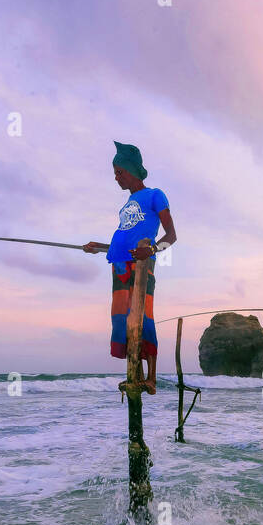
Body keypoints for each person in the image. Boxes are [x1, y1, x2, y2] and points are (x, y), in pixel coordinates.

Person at [83, 141, 177, 394]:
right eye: (114, 173)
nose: (116, 177)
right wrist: (99, 246)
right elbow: (123, 239)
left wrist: (153, 249)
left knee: (142, 316)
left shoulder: (156, 195)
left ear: (132, 170)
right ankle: (134, 374)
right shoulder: (126, 205)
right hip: (119, 265)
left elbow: (171, 236)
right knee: (122, 319)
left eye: (119, 172)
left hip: (142, 265)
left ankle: (151, 378)